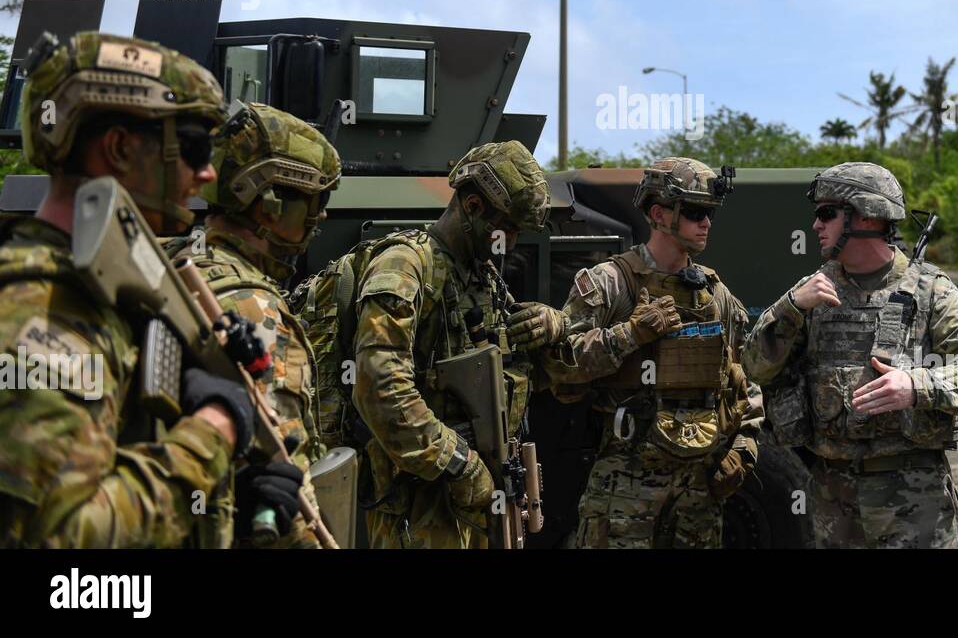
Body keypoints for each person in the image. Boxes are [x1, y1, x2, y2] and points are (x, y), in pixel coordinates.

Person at [0, 32, 287, 547]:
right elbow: (56, 543)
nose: (206, 173)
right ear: (119, 148)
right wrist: (215, 431)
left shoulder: (107, 292)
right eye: (195, 146)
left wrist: (225, 499)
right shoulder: (44, 310)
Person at [743, 161, 958, 548]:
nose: (815, 226)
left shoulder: (932, 291)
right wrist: (790, 308)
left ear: (866, 216)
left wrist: (916, 384)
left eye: (826, 214)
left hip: (912, 492)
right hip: (831, 493)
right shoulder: (811, 291)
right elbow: (755, 366)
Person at [347, 140, 566, 548]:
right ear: (473, 206)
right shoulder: (406, 265)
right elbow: (380, 387)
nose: (511, 243)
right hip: (417, 499)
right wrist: (461, 464)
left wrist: (554, 325)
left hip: (468, 496)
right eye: (507, 228)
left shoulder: (481, 277)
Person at [541, 157, 759, 548]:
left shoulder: (715, 295)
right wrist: (631, 334)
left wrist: (744, 449)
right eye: (695, 212)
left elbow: (745, 382)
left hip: (697, 489)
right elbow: (562, 366)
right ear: (658, 213)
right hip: (625, 481)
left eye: (709, 213)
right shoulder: (609, 283)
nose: (706, 223)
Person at [165, 100, 340, 547]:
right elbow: (280, 476)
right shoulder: (252, 307)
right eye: (315, 202)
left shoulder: (174, 263)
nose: (319, 219)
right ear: (269, 207)